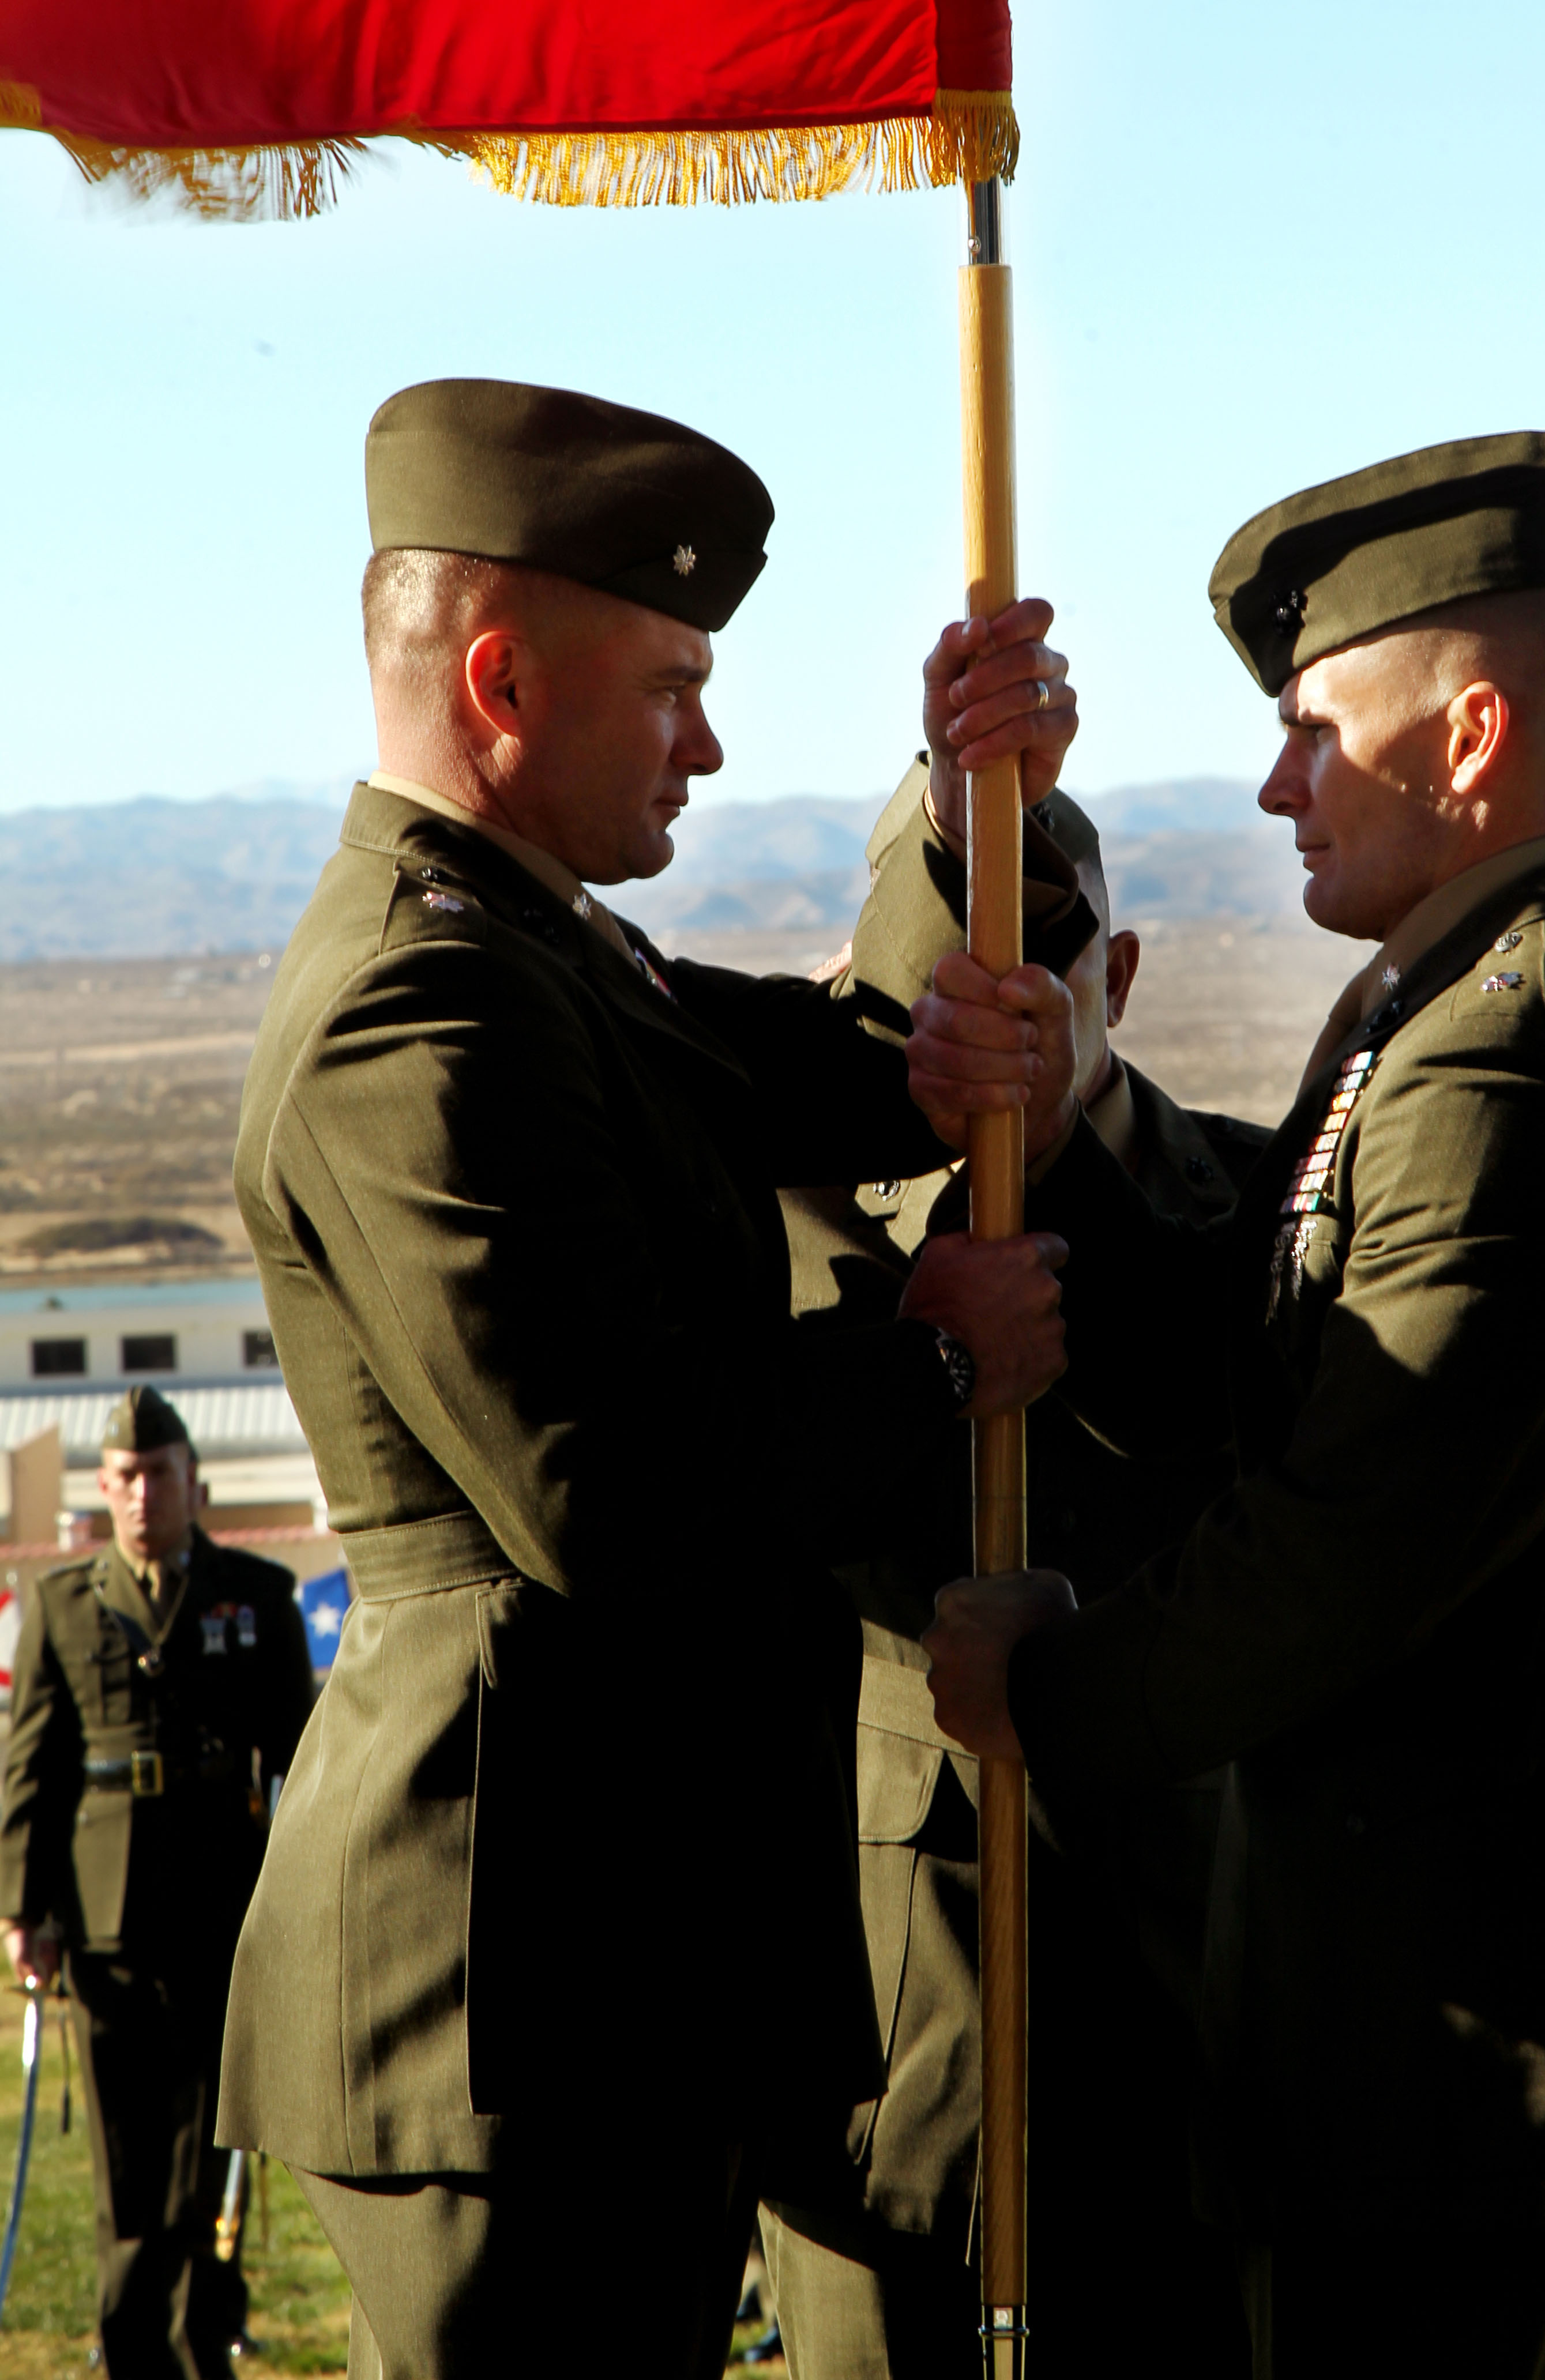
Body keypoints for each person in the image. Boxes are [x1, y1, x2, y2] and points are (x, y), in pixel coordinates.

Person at [216, 379, 1081, 2380]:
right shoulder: (414, 1007)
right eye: (674, 682)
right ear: (502, 681)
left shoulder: (541, 956)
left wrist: (968, 811)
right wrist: (935, 1342)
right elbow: (606, 1485)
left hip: (605, 1963)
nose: (709, 739)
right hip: (503, 1979)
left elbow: (849, 1058)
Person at [907, 432, 1545, 2379]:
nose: (1277, 782)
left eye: (1311, 730)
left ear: (1463, 738)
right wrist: (1085, 1119)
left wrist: (1044, 1686)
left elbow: (1336, 1545)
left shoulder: (1503, 1062)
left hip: (1468, 2021)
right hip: (1414, 2024)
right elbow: (1267, 1348)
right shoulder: (1442, 1017)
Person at [761, 772, 1257, 2375]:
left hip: (1186, 2030)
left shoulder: (1259, 1206)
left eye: (1035, 1002)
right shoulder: (792, 1234)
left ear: (1118, 981)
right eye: (938, 1017)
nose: (988, 1060)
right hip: (894, 2060)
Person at [0, 1387, 313, 2380]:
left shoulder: (257, 1596)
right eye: (125, 1478)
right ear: (103, 1489)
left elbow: (300, 1759)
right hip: (109, 1921)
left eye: (160, 1474)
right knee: (127, 2157)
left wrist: (298, 1904)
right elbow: (31, 1766)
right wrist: (23, 1908)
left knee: (216, 2145)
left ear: (195, 1482)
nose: (143, 1494)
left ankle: (206, 2331)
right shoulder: (60, 1600)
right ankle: (133, 2346)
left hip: (227, 1910)